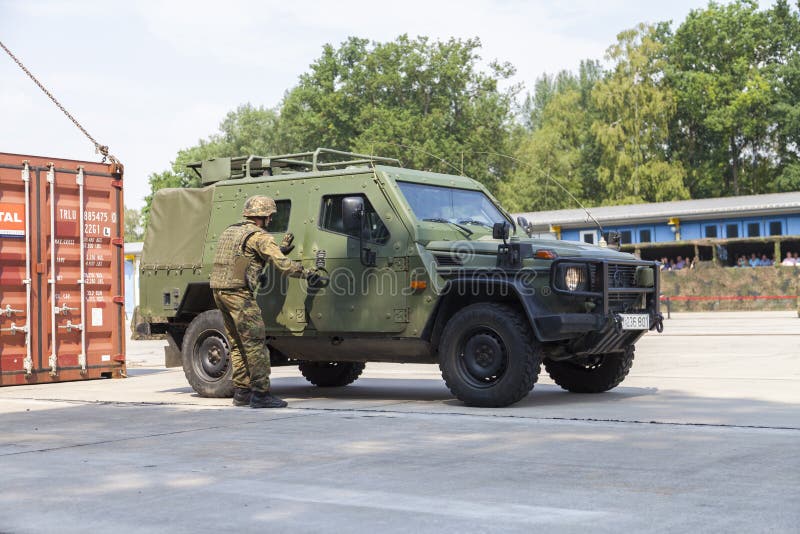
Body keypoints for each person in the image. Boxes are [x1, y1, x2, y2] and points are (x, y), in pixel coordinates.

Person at [209, 195, 326, 409]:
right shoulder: (260, 236)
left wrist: (279, 249)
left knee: (237, 343)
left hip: (219, 291)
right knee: (255, 344)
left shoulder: (230, 231)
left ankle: (242, 392)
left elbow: (245, 257)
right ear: (262, 216)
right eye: (269, 216)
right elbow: (283, 266)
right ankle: (261, 394)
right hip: (239, 294)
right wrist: (307, 273)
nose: (270, 220)